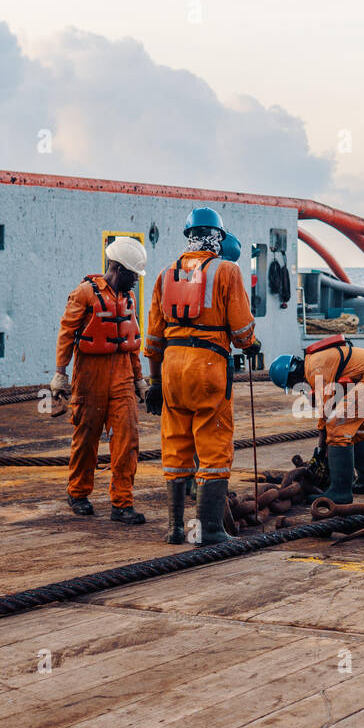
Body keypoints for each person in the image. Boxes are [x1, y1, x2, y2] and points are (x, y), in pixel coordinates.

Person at [142, 207, 261, 545]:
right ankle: (209, 529)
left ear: (188, 237)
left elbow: (152, 340)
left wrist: (154, 383)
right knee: (213, 443)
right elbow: (241, 329)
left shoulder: (165, 274)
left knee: (176, 444)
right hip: (207, 367)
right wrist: (251, 345)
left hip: (171, 369)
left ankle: (176, 528)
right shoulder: (227, 270)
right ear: (218, 238)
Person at [50, 236, 151, 524]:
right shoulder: (84, 294)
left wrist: (139, 379)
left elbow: (130, 340)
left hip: (122, 376)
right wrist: (60, 374)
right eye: (133, 274)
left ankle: (122, 503)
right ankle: (78, 493)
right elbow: (66, 333)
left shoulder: (128, 298)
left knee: (127, 439)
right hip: (89, 376)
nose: (136, 281)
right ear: (118, 269)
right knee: (86, 438)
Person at [268, 336, 364, 504]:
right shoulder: (314, 364)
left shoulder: (315, 368)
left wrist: (321, 449)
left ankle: (340, 492)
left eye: (293, 385)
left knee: (338, 425)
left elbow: (326, 412)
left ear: (293, 377)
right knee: (354, 429)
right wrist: (321, 448)